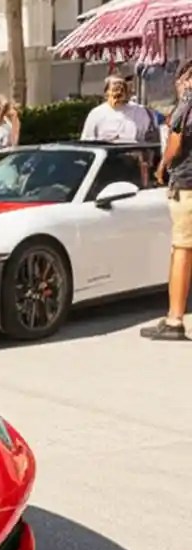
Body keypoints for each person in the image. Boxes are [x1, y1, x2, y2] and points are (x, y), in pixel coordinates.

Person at [146, 60, 192, 341]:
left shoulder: (187, 104)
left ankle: (174, 319)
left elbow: (175, 142)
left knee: (182, 250)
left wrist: (162, 167)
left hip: (187, 185)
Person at [81, 76, 155, 143]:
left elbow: (149, 139)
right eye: (115, 89)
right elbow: (87, 141)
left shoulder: (139, 111)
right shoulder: (96, 114)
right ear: (106, 94)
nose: (119, 92)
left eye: (122, 89)